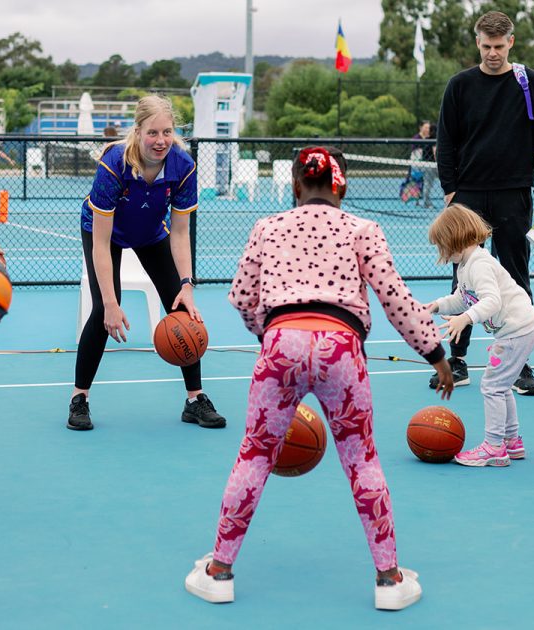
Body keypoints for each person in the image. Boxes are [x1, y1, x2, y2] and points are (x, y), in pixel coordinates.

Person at [184, 146, 454, 610]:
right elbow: (395, 298)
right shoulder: (363, 230)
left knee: (254, 456)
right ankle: (389, 580)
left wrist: (269, 334)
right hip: (341, 348)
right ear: (341, 186)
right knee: (362, 461)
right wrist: (434, 352)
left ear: (294, 186)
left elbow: (243, 297)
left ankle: (219, 572)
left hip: (281, 343)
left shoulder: (267, 227)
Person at [67, 95, 225, 431]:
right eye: (152, 132)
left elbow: (179, 232)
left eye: (167, 132)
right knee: (103, 310)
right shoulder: (115, 163)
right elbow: (100, 243)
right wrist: (111, 303)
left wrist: (187, 285)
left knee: (182, 310)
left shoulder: (183, 166)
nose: (161, 140)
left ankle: (195, 400)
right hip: (105, 234)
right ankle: (80, 398)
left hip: (151, 233)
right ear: (138, 131)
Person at [433, 10, 534, 396]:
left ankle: (519, 362)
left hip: (514, 193)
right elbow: (445, 142)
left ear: (511, 43)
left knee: (516, 277)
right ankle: (457, 360)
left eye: (499, 46)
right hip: (467, 196)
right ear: (477, 43)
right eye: (486, 46)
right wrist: (451, 193)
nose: (492, 53)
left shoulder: (529, 82)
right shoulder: (459, 85)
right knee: (463, 278)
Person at [427, 204, 534, 467]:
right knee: (501, 386)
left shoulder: (479, 265)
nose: (442, 252)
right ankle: (511, 441)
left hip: (516, 332)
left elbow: (492, 301)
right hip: (517, 330)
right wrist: (436, 306)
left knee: (491, 386)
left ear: (455, 238)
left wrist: (465, 318)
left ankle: (494, 447)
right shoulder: (466, 265)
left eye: (442, 245)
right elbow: (462, 297)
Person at [400, 121, 435, 206]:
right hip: (416, 165)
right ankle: (413, 199)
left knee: (424, 182)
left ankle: (420, 199)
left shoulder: (429, 138)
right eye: (426, 127)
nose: (427, 129)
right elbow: (416, 153)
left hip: (427, 165)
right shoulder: (416, 138)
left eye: (428, 128)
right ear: (421, 127)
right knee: (414, 182)